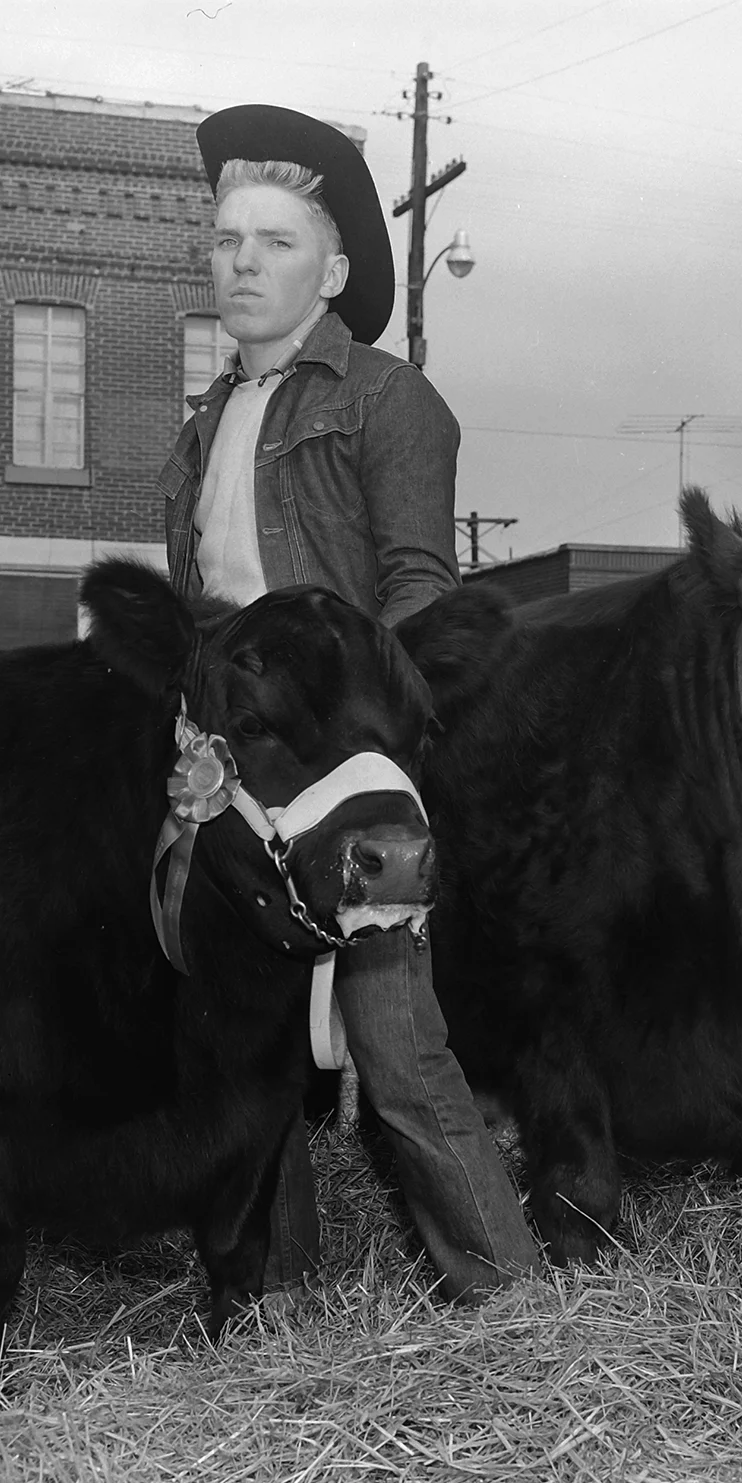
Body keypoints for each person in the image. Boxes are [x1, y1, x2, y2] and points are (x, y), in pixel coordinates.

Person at [160, 103, 542, 1300]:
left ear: (330, 269)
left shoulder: (386, 399)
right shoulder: (201, 426)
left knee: (396, 1045)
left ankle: (512, 1300)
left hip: (347, 778)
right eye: (225, 241)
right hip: (238, 782)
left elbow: (422, 597)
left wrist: (378, 758)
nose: (242, 264)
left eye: (273, 243)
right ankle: (278, 1307)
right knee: (252, 1047)